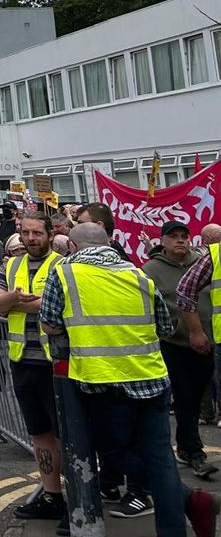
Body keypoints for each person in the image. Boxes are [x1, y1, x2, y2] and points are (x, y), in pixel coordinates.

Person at [40, 223, 220, 535]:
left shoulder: (65, 271)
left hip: (104, 380)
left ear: (72, 245)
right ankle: (181, 520)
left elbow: (50, 323)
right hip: (152, 377)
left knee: (115, 456)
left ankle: (192, 499)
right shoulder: (137, 273)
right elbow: (164, 325)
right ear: (109, 243)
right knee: (160, 458)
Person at [0, 212, 67, 523]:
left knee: (66, 434)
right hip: (23, 361)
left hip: (55, 364)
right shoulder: (11, 264)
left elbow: (53, 305)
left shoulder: (63, 265)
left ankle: (79, 499)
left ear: (49, 235)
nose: (31, 238)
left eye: (37, 233)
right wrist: (14, 298)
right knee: (39, 433)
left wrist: (13, 303)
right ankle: (52, 496)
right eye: (26, 233)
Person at [146, 221, 217, 478]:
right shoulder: (151, 270)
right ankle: (191, 450)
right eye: (173, 236)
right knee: (186, 398)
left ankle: (189, 445)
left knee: (199, 399)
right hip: (176, 344)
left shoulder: (202, 262)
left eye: (184, 236)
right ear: (162, 240)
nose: (180, 241)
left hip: (211, 343)